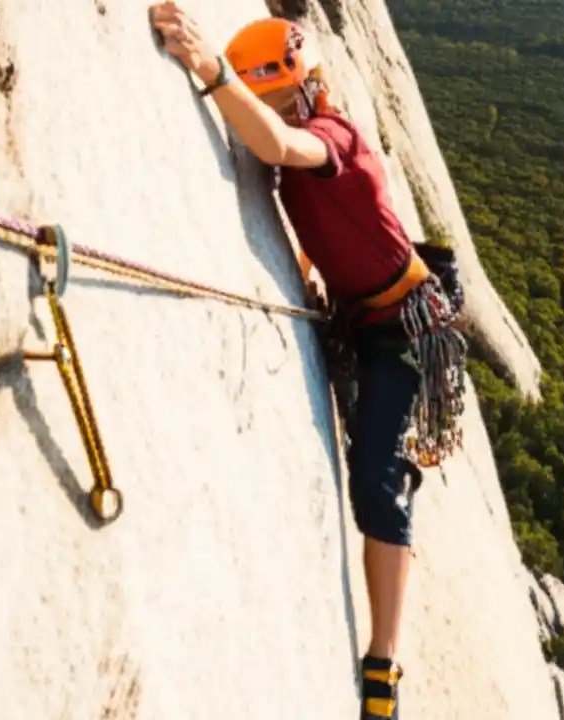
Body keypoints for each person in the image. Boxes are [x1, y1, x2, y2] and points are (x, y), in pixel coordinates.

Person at [150, 5, 469, 718]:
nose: (253, 109)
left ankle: (385, 657)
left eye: (262, 94)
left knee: (376, 487)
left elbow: (276, 148)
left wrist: (209, 68)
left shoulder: (333, 135)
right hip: (367, 318)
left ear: (288, 89)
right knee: (373, 455)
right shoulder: (300, 124)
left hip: (404, 324)